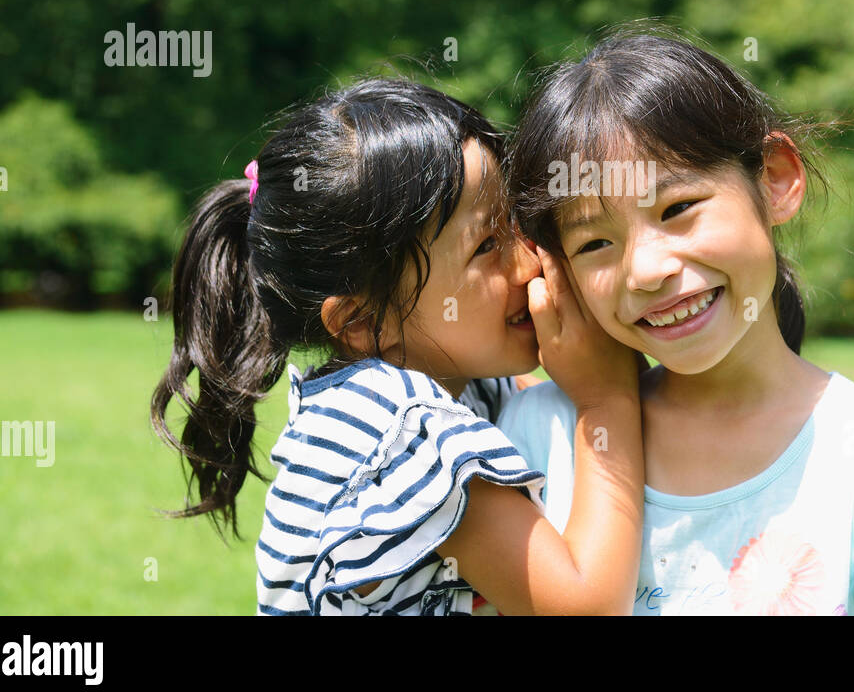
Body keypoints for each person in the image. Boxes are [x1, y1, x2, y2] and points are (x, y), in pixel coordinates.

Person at [499, 28, 854, 615]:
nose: (645, 270)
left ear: (776, 179)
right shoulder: (534, 440)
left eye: (677, 209)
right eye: (594, 244)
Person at [150, 76, 644, 615]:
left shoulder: (435, 380)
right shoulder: (403, 430)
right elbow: (586, 608)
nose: (529, 261)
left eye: (514, 222)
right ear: (362, 320)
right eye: (486, 246)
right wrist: (607, 402)